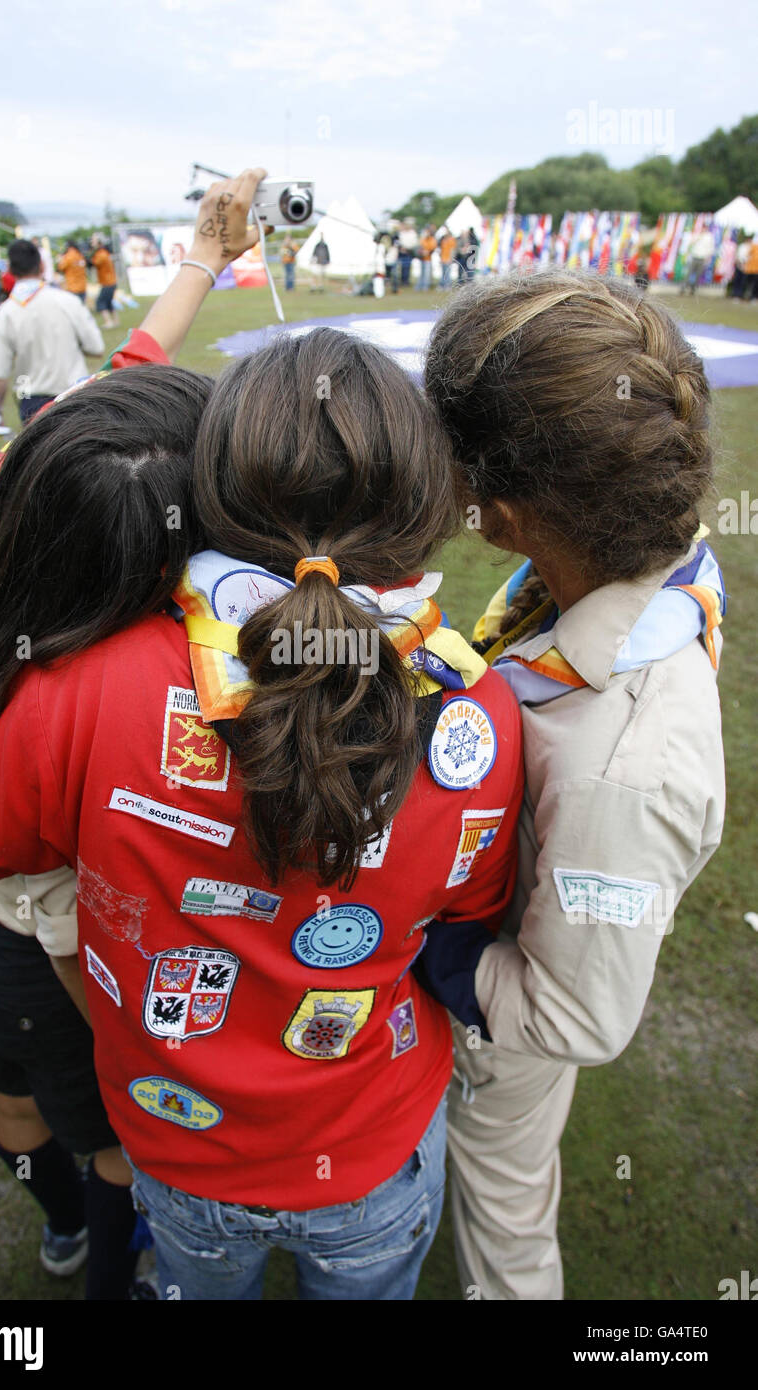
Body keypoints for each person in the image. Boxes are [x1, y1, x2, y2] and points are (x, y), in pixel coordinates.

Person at [0, 166, 526, 1303]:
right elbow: (470, 924)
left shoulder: (90, 684)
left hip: (182, 1149)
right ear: (427, 500)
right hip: (370, 1144)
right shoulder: (478, 710)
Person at [421, 270, 725, 1300]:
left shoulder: (621, 770)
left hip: (504, 1003)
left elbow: (573, 1017)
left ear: (499, 513)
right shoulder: (636, 546)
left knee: (502, 1205)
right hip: (524, 903)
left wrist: (422, 941)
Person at [0, 237, 104, 426]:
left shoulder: (6, 312)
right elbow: (96, 347)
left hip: (34, 404)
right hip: (76, 395)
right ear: (41, 266)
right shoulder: (67, 301)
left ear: (10, 270)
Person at [90, 236, 118, 328]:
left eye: (93, 241)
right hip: (111, 281)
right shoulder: (105, 253)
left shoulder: (101, 254)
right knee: (109, 302)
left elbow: (94, 263)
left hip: (107, 282)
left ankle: (108, 322)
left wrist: (91, 254)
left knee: (101, 302)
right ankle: (115, 321)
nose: (92, 243)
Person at [418, 226, 436, 291]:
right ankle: (420, 286)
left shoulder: (432, 239)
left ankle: (425, 286)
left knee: (427, 273)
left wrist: (427, 252)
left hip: (428, 259)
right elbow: (420, 247)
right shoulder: (423, 239)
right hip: (422, 258)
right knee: (422, 273)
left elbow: (433, 248)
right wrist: (422, 252)